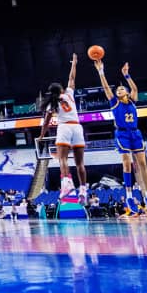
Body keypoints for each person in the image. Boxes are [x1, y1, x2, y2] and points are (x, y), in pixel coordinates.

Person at [94, 60, 147, 216]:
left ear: (127, 92)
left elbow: (135, 88)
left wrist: (127, 75)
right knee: (127, 163)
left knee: (142, 163)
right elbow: (106, 87)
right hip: (122, 133)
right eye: (118, 89)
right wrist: (101, 71)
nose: (119, 89)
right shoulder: (114, 103)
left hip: (135, 133)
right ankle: (129, 196)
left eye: (122, 88)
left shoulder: (133, 101)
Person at [39, 54, 88, 202]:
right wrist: (74, 64)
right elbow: (72, 78)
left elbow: (46, 122)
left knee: (63, 159)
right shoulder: (69, 94)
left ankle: (67, 184)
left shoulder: (51, 103)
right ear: (61, 89)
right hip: (77, 127)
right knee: (80, 163)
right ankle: (83, 190)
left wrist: (42, 136)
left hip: (64, 128)